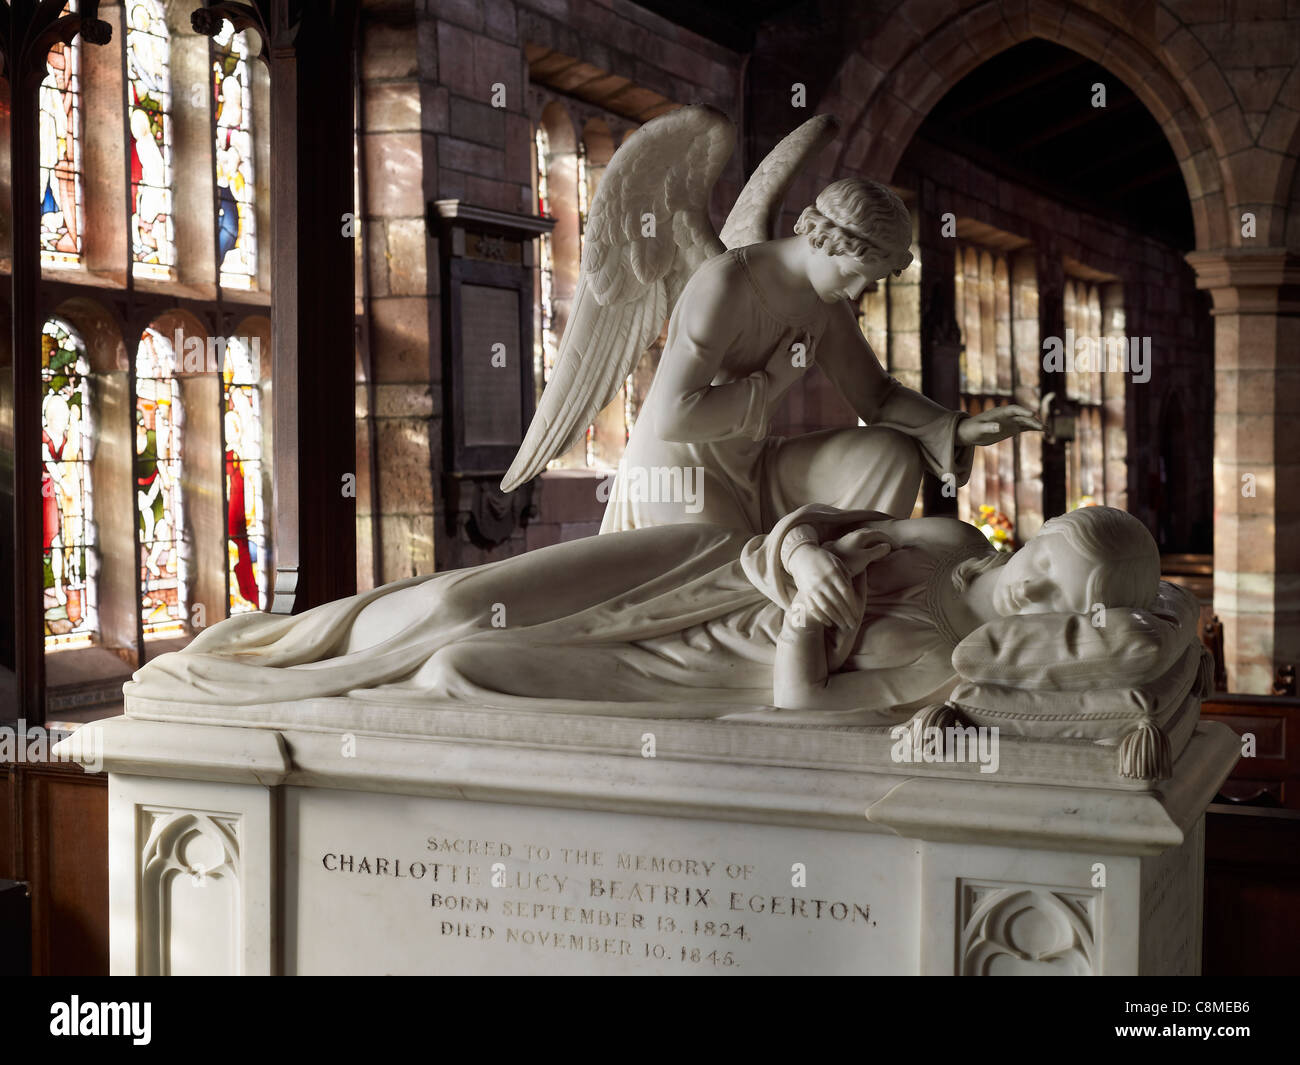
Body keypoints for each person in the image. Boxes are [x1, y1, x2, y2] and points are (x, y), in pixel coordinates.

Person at [126, 504, 1159, 725]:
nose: (1029, 583)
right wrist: (801, 551)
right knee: (457, 598)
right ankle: (268, 656)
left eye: (1059, 597)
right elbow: (810, 517)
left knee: (458, 670)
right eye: (1046, 553)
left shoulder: (945, 661)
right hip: (707, 563)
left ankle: (278, 698)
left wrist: (807, 615)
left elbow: (804, 713)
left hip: (702, 666)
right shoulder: (948, 542)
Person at [601, 178, 1042, 534]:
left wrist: (961, 427)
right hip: (683, 473)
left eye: (865, 283)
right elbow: (673, 419)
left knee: (890, 454)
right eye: (852, 275)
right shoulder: (726, 285)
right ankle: (801, 593)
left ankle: (850, 577)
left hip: (751, 465)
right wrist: (773, 383)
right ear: (823, 240)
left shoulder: (823, 303)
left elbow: (877, 397)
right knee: (738, 587)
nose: (854, 293)